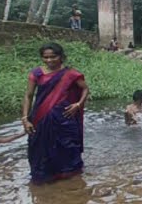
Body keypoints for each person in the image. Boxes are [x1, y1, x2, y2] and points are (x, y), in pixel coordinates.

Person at [22, 42, 88, 184]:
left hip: (64, 118)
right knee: (39, 148)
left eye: (53, 57)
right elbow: (28, 95)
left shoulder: (71, 74)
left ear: (61, 56)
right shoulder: (36, 74)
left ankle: (71, 181)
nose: (49, 60)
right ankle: (44, 179)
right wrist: (25, 119)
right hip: (40, 119)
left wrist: (78, 104)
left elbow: (85, 89)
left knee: (67, 146)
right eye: (45, 57)